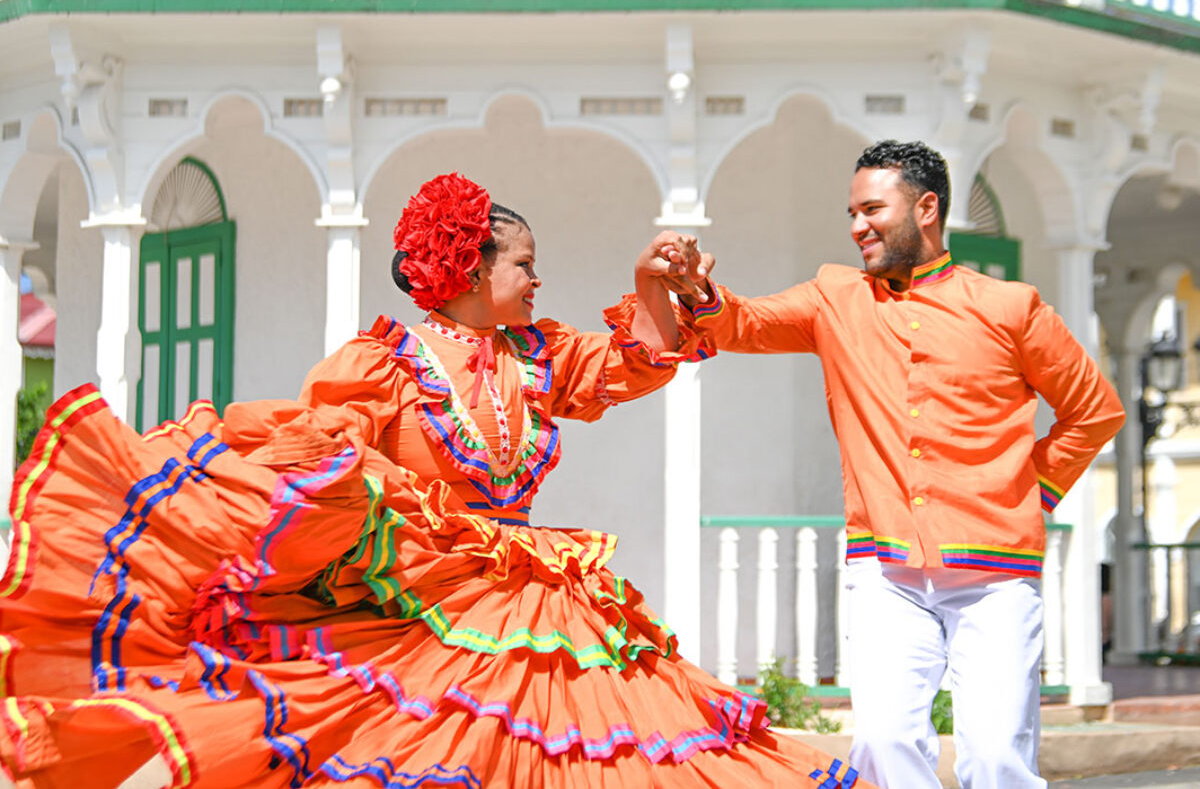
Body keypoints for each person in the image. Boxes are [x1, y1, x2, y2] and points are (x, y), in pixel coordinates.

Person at [0, 173, 875, 788]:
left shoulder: (538, 356)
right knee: (443, 749)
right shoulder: (382, 365)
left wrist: (652, 283)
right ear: (468, 265)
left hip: (537, 590)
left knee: (588, 743)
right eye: (523, 264)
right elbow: (323, 450)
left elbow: (630, 365)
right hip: (426, 600)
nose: (537, 280)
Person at [673, 141, 1125, 789]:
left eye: (872, 210)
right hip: (885, 570)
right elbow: (742, 323)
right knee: (884, 747)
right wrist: (698, 291)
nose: (857, 226)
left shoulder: (1011, 309)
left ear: (928, 207)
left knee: (997, 757)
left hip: (997, 579)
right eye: (851, 212)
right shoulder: (835, 297)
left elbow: (1095, 411)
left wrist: (1034, 495)